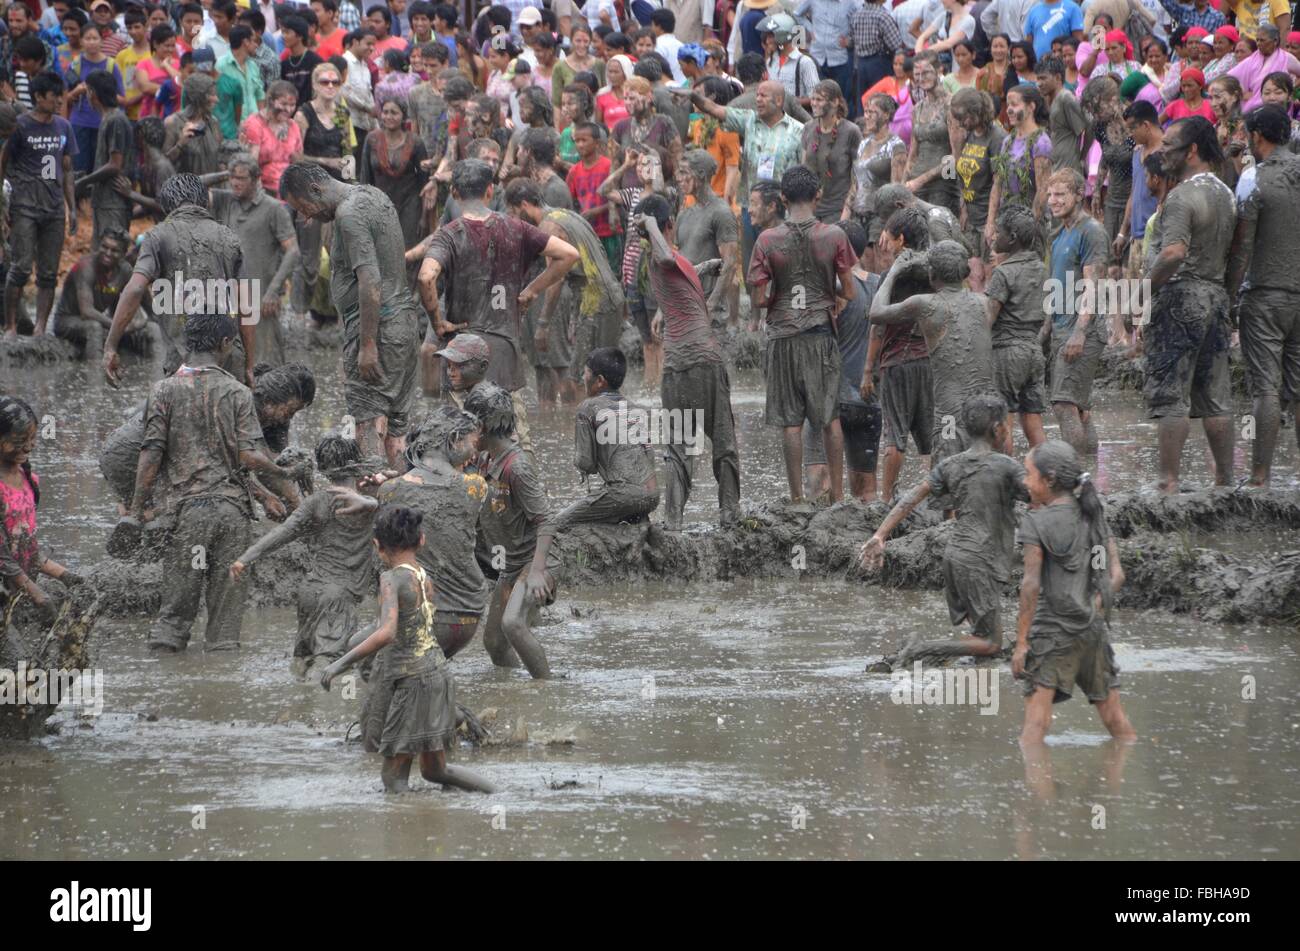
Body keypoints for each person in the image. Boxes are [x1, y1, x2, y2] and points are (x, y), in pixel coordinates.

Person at [123, 313, 292, 653]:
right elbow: (249, 458)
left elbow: (150, 456)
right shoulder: (239, 393)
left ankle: (169, 689)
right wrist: (285, 475)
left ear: (188, 344)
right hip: (232, 515)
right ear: (226, 344)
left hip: (186, 516)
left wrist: (135, 510)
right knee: (225, 630)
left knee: (171, 623)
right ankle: (221, 685)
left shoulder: (163, 390)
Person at [320, 504, 496, 795]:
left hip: (413, 682)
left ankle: (407, 834)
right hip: (437, 675)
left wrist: (342, 663)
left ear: (377, 545)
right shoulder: (423, 577)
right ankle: (499, 797)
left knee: (393, 779)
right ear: (422, 540)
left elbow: (387, 632)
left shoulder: (390, 579)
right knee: (436, 771)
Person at [419, 159, 579, 457]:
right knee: (516, 442)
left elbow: (426, 276)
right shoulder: (516, 228)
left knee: (464, 443)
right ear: (490, 191)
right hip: (504, 350)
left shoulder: (450, 234)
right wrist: (531, 291)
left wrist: (438, 322)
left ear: (453, 193)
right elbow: (569, 254)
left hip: (462, 353)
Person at [861, 393, 1028, 667]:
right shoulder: (1007, 466)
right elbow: (1039, 494)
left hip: (954, 557)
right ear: (998, 429)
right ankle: (921, 648)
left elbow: (911, 497)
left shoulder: (951, 465)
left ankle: (969, 688)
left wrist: (880, 535)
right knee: (992, 643)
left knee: (982, 638)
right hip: (980, 561)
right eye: (1008, 426)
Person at [280, 163, 421, 466]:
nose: (305, 217)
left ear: (316, 189)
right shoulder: (373, 195)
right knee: (396, 432)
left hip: (378, 330)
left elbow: (370, 280)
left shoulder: (348, 214)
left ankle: (370, 506)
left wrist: (367, 343)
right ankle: (401, 501)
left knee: (368, 427)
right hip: (404, 325)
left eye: (303, 207)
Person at [1014, 439, 1136, 747]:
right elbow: (1115, 576)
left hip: (1051, 634)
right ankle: (1114, 789)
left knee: (1034, 730)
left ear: (1049, 479)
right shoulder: (1092, 514)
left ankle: (1035, 795)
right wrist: (1090, 610)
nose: (1024, 482)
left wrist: (1021, 642)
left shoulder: (1036, 521)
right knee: (1117, 723)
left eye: (1029, 474)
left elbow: (1031, 584)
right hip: (1092, 631)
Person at [749, 165, 857, 503]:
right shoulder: (834, 236)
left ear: (782, 198)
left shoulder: (767, 240)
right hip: (820, 333)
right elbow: (850, 292)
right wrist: (829, 291)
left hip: (783, 335)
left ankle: (796, 500)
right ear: (818, 196)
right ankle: (838, 497)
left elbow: (760, 298)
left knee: (791, 423)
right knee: (829, 418)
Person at [522, 348, 661, 606]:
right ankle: (637, 529)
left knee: (554, 523)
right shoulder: (637, 408)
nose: (582, 378)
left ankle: (539, 572)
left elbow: (584, 462)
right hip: (652, 496)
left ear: (599, 381)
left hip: (623, 494)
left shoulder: (588, 407)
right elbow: (647, 456)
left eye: (585, 373)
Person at [635, 194, 741, 529]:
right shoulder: (660, 254)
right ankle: (729, 516)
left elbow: (682, 272)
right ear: (669, 225)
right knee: (723, 441)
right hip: (704, 359)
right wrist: (650, 222)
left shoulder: (668, 261)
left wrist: (706, 267)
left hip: (677, 366)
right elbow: (667, 256)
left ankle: (674, 521)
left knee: (679, 446)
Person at [230, 435, 377, 674]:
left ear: (322, 467)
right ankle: (322, 710)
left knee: (302, 662)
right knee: (329, 666)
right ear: (356, 463)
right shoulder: (370, 504)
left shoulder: (316, 502)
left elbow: (283, 533)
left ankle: (299, 708)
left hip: (309, 591)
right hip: (338, 596)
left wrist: (244, 559)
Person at [1143, 115, 1235, 492]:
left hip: (1181, 298)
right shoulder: (1227, 193)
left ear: (1192, 150)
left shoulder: (1180, 195)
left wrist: (1142, 289)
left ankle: (1167, 483)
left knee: (1171, 394)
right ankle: (1225, 481)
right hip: (1217, 296)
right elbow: (1238, 257)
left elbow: (1174, 253)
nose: (1161, 152)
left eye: (1169, 146)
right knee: (1216, 395)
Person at [104, 174, 248, 385]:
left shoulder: (157, 236)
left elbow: (135, 289)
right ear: (205, 202)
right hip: (229, 356)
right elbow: (247, 305)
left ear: (167, 206)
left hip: (184, 356)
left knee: (180, 414)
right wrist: (250, 365)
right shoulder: (231, 238)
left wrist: (110, 346)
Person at [1227, 104, 1300, 488]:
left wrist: (1228, 295)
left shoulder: (1254, 179)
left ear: (1258, 136)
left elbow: (1242, 248)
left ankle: (1259, 476)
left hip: (1265, 295)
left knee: (1265, 389)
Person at [869, 239, 994, 463]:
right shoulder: (983, 302)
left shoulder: (924, 304)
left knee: (947, 472)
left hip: (949, 412)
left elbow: (876, 313)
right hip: (985, 405)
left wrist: (893, 272)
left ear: (932, 275)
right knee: (982, 466)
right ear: (965, 272)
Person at [463, 383, 553, 678]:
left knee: (513, 622)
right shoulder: (482, 461)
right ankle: (516, 688)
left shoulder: (517, 467)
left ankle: (546, 689)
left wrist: (538, 571)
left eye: (469, 426)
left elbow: (546, 520)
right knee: (494, 643)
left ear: (482, 426)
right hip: (510, 565)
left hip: (535, 561)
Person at [504, 178, 625, 394]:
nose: (515, 221)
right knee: (602, 377)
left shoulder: (549, 226)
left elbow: (557, 277)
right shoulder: (566, 215)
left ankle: (581, 426)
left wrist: (542, 322)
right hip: (608, 297)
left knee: (582, 379)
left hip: (597, 302)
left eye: (513, 213)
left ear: (523, 205)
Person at [798, 219, 884, 503]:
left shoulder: (828, 289)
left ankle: (822, 542)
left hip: (828, 400)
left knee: (819, 487)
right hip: (867, 401)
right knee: (867, 494)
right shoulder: (879, 286)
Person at [2, 71, 77, 339]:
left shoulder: (63, 127)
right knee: (20, 267)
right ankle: (10, 326)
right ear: (38, 97)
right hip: (24, 206)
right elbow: (4, 162)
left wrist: (73, 207)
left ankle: (40, 328)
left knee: (48, 272)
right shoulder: (20, 126)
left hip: (54, 208)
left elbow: (67, 169)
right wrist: (4, 206)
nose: (59, 100)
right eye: (53, 96)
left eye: (61, 95)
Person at [1042, 168, 1109, 456]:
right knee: (1079, 407)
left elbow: (1094, 286)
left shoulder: (1091, 231)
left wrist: (1080, 332)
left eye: (1060, 195)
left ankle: (1075, 476)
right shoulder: (1059, 235)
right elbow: (1054, 284)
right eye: (1049, 195)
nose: (1053, 201)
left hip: (1082, 329)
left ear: (1079, 195)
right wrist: (1046, 328)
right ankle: (1090, 471)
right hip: (1061, 327)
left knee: (1063, 404)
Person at [209, 154, 300, 365]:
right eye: (232, 177)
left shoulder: (273, 208)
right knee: (231, 359)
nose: (234, 182)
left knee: (267, 363)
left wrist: (273, 291)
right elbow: (193, 185)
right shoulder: (226, 200)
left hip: (261, 299)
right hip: (229, 298)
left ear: (256, 179)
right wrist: (225, 173)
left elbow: (293, 251)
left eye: (241, 178)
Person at [0, 396, 82, 631]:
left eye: (32, 439)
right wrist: (36, 592)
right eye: (18, 441)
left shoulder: (29, 481)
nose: (28, 447)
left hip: (14, 592)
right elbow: (2, 555)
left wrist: (64, 575)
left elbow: (25, 547)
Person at [985, 205, 1049, 453]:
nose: (993, 237)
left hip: (1007, 353)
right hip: (1034, 351)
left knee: (1003, 420)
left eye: (998, 232)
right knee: (1033, 419)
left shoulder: (1003, 272)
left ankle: (1006, 479)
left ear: (1011, 239)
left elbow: (988, 319)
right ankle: (1047, 478)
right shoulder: (1041, 269)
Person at [672, 149, 739, 331]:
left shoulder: (721, 213)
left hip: (711, 311)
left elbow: (730, 264)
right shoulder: (685, 214)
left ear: (701, 174)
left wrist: (710, 307)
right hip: (685, 305)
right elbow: (679, 261)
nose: (679, 178)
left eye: (684, 172)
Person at [50, 228, 138, 358]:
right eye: (104, 247)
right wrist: (118, 325)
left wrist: (142, 322)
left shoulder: (125, 271)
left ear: (124, 254)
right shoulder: (85, 267)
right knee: (94, 327)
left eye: (114, 251)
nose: (107, 253)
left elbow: (144, 302)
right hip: (66, 320)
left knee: (149, 329)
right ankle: (95, 373)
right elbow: (87, 311)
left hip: (96, 321)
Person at [986, 86, 1052, 253]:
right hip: (1006, 218)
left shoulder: (1041, 142)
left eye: (1014, 104)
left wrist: (1026, 229)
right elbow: (997, 184)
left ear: (1031, 107)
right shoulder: (1008, 140)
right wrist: (990, 222)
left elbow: (1043, 190)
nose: (1008, 110)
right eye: (1008, 105)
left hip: (1029, 224)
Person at [950, 87, 1004, 290]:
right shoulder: (969, 135)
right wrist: (963, 206)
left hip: (988, 217)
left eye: (963, 117)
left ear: (976, 113)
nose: (961, 123)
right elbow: (961, 172)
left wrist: (991, 222)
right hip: (971, 217)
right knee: (974, 276)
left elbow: (998, 182)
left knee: (990, 275)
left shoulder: (996, 136)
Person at [802, 79, 861, 223]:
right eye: (813, 99)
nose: (814, 103)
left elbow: (857, 177)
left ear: (835, 102)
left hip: (837, 210)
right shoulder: (809, 128)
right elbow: (803, 169)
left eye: (819, 100)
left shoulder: (851, 131)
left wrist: (845, 214)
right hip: (810, 210)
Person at [240, 80, 302, 198]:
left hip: (288, 191)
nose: (288, 110)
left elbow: (298, 162)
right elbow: (252, 166)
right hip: (264, 191)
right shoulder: (255, 125)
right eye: (283, 104)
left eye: (292, 105)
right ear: (270, 101)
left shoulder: (293, 126)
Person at [162, 72, 224, 176]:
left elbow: (220, 159)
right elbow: (164, 165)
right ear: (198, 96)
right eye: (212, 95)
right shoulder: (173, 122)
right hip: (186, 189)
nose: (217, 99)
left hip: (212, 190)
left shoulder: (213, 122)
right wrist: (180, 144)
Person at [1037, 54, 1088, 173]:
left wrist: (1082, 156)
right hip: (1055, 166)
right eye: (1038, 79)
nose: (1039, 83)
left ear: (1058, 77)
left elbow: (1088, 127)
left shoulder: (1066, 98)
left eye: (1043, 78)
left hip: (1068, 169)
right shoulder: (1047, 99)